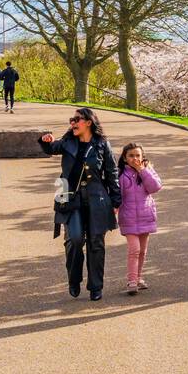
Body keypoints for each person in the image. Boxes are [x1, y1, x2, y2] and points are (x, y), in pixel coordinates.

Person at [39, 107, 122, 300]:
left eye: (76, 119)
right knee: (74, 239)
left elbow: (112, 173)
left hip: (97, 199)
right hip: (68, 196)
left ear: (89, 122)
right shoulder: (67, 142)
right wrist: (46, 139)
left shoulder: (102, 144)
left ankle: (96, 286)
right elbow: (51, 148)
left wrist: (116, 200)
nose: (73, 123)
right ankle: (74, 280)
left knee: (96, 242)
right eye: (71, 119)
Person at [117, 143, 163, 294]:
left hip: (145, 216)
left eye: (137, 155)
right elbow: (117, 195)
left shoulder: (147, 170)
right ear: (124, 158)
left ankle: (138, 277)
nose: (134, 158)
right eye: (131, 155)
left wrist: (142, 170)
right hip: (128, 218)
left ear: (143, 157)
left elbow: (155, 187)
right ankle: (131, 281)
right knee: (134, 249)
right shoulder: (121, 174)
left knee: (142, 250)